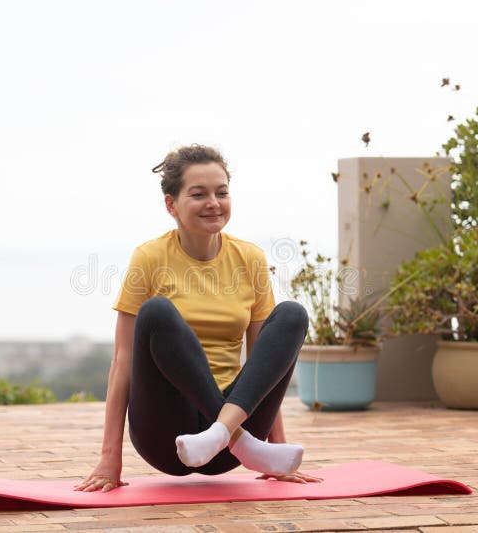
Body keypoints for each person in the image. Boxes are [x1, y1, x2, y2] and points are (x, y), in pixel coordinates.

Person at [74, 144, 321, 493]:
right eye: (199, 194)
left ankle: (225, 434)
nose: (214, 203)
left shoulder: (249, 258)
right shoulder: (149, 257)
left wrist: (277, 455)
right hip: (167, 438)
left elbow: (264, 365)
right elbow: (123, 360)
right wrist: (109, 458)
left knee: (291, 314)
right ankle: (235, 436)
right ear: (171, 204)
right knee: (157, 312)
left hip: (227, 449)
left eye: (222, 192)